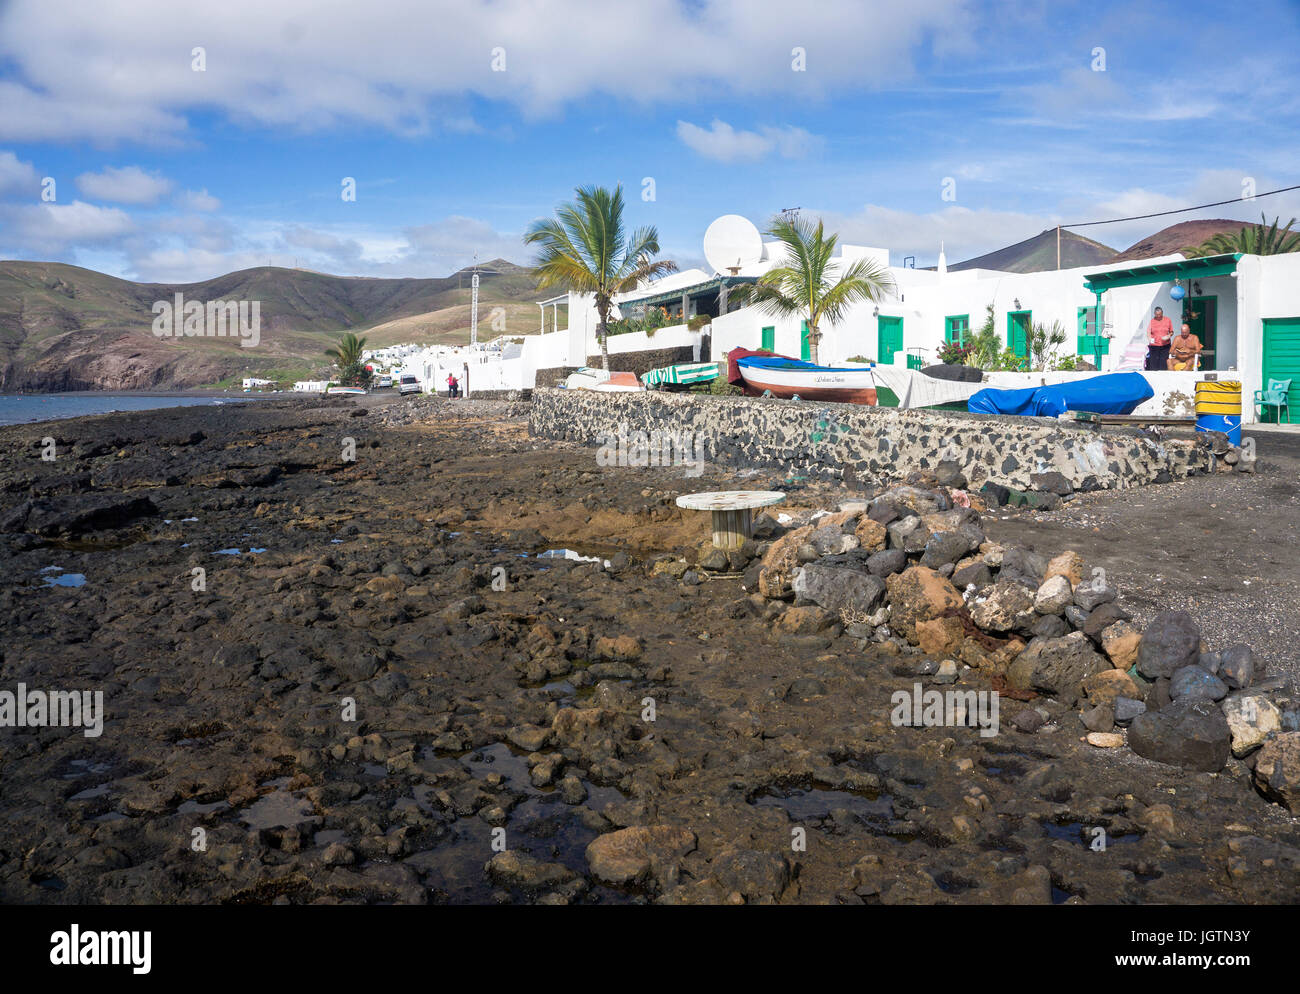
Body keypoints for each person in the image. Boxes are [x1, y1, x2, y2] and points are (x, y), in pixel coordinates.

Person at [1145, 306, 1173, 370]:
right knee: (1154, 365)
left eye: (1160, 314)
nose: (1158, 316)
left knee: (1163, 365)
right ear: (1154, 314)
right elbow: (1148, 332)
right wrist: (1149, 338)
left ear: (1162, 313)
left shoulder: (1167, 320)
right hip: (1154, 346)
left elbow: (1171, 332)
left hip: (1165, 346)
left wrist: (1168, 336)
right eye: (1157, 315)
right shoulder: (1152, 321)